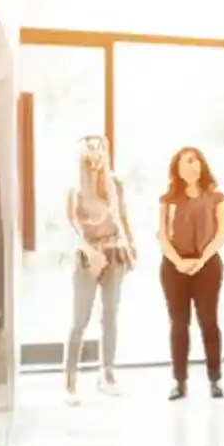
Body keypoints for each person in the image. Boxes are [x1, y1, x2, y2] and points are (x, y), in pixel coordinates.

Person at [64, 135, 136, 405]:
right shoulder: (75, 187)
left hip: (114, 253)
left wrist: (130, 243)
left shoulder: (115, 182)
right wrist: (90, 252)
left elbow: (122, 215)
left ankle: (107, 375)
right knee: (79, 321)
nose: (94, 159)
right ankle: (70, 382)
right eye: (89, 154)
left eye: (99, 152)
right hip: (87, 256)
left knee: (110, 316)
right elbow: (71, 225)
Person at [158, 146, 224, 401]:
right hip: (174, 266)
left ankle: (215, 378)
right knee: (179, 324)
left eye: (196, 161)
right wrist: (178, 262)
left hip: (207, 266)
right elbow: (163, 236)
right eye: (187, 162)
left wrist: (201, 261)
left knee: (208, 322)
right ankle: (179, 381)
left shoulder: (217, 197)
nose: (193, 166)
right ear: (177, 168)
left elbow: (222, 234)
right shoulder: (168, 199)